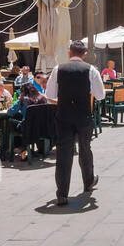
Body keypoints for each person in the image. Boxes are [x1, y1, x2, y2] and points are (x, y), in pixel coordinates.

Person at [45, 40, 105, 206]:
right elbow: (100, 95)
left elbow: (50, 94)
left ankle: (62, 194)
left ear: (69, 53)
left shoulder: (58, 69)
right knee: (85, 149)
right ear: (85, 54)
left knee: (64, 154)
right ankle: (88, 182)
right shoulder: (91, 70)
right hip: (84, 116)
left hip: (63, 116)